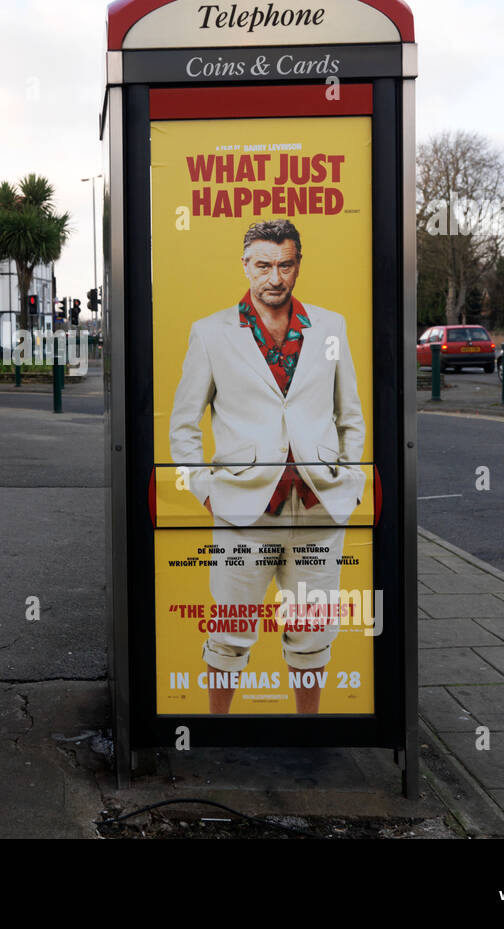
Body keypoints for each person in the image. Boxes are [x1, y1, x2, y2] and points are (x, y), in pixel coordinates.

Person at [169, 219, 365, 714]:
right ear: (245, 266)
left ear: (298, 263)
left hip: (319, 508)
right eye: (263, 265)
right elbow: (183, 425)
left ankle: (308, 734)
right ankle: (215, 731)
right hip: (243, 511)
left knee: (313, 630)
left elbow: (351, 415)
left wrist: (351, 482)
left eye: (285, 264)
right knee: (230, 630)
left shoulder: (331, 327)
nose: (274, 277)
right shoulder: (210, 333)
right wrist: (206, 491)